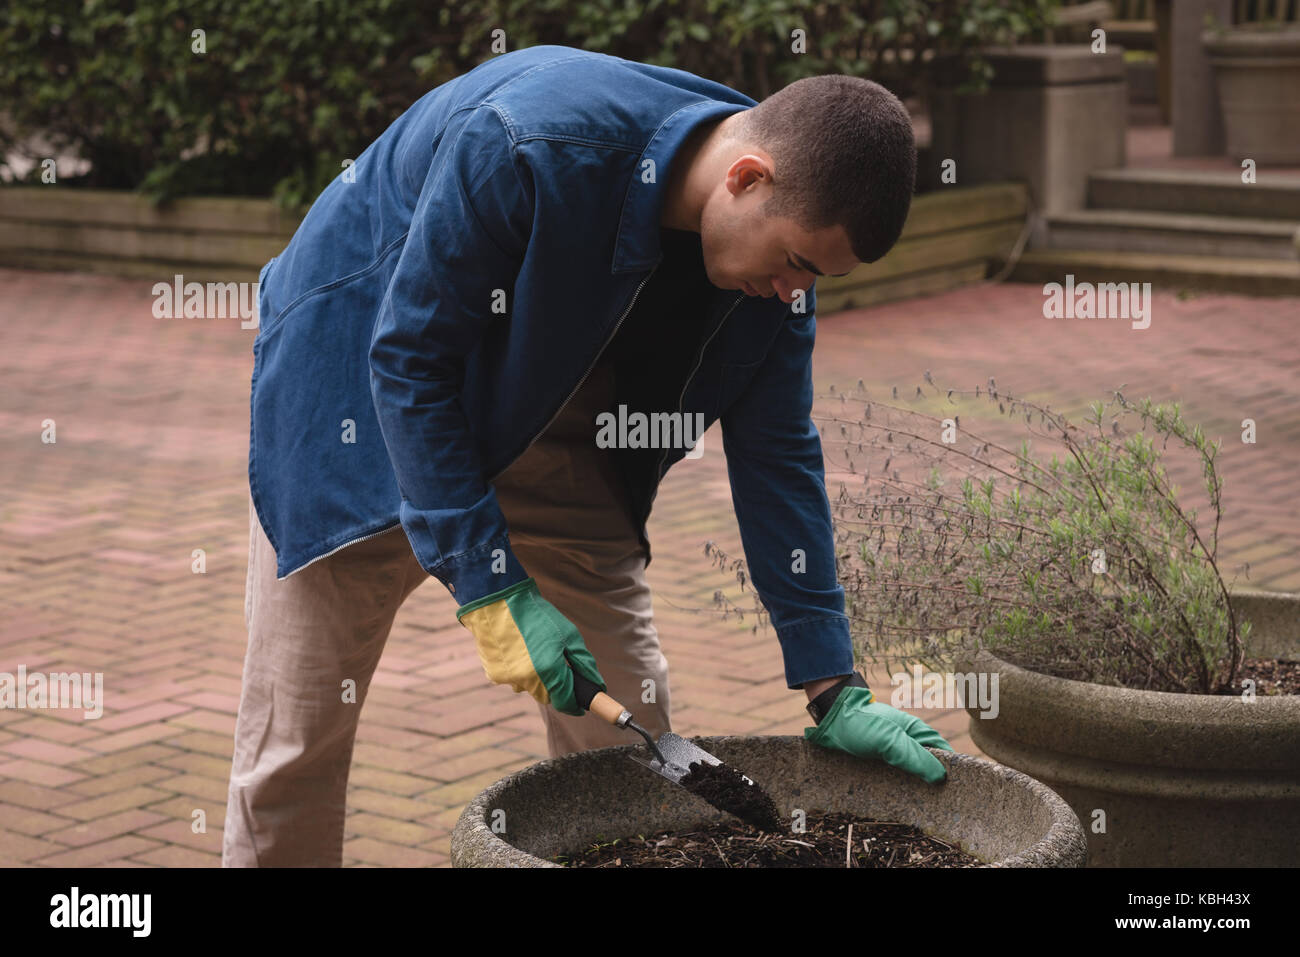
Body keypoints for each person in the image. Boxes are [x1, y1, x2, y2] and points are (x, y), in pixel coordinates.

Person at [224, 44, 952, 867]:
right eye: (796, 264)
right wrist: (490, 583)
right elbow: (409, 362)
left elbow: (779, 449)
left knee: (633, 747)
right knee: (296, 738)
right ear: (746, 178)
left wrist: (833, 682)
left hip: (558, 430)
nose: (796, 292)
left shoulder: (778, 271)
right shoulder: (526, 144)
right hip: (358, 399)